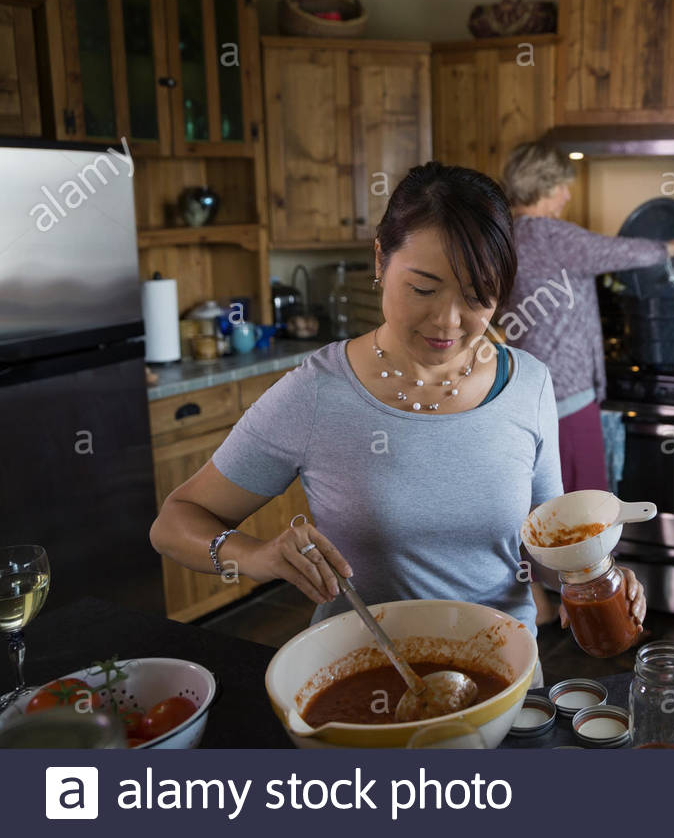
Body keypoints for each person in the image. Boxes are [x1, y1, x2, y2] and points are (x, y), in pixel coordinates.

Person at [148, 162, 646, 670]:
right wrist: (253, 557)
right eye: (424, 289)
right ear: (382, 260)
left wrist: (596, 575)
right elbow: (174, 522)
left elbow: (547, 544)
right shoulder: (317, 392)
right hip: (364, 678)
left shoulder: (530, 383)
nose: (448, 322)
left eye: (478, 295)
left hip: (505, 680)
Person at [499, 141, 674, 493]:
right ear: (543, 186)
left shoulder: (505, 235)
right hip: (567, 395)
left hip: (527, 390)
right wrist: (667, 249)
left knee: (545, 503)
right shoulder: (553, 236)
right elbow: (615, 252)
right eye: (562, 187)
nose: (567, 196)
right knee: (583, 507)